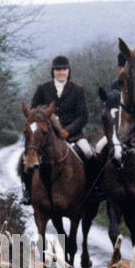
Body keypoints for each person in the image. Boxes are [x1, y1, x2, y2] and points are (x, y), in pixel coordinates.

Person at [21, 55, 90, 204]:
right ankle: (27, 191)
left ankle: (92, 191)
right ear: (53, 71)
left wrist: (69, 130)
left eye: (64, 69)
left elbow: (83, 116)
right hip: (46, 136)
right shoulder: (43, 88)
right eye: (58, 69)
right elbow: (33, 112)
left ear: (68, 71)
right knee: (26, 157)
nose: (61, 72)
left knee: (89, 154)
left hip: (72, 135)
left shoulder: (78, 90)